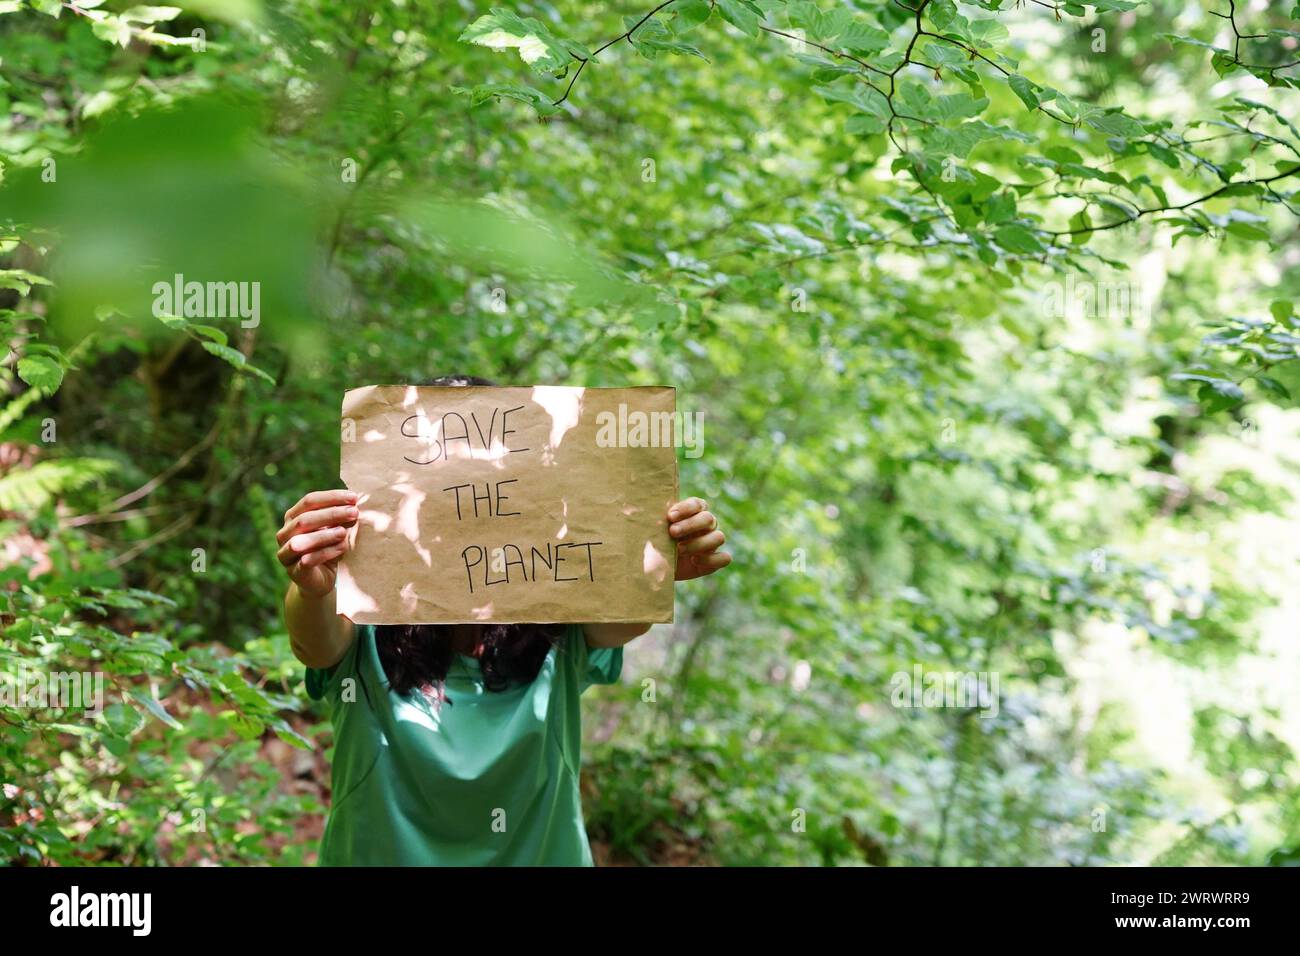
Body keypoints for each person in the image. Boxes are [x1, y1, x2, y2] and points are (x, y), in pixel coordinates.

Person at [278, 377, 731, 865]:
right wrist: (312, 583)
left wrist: (659, 563)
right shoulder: (363, 616)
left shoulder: (562, 623)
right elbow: (315, 643)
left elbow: (623, 617)